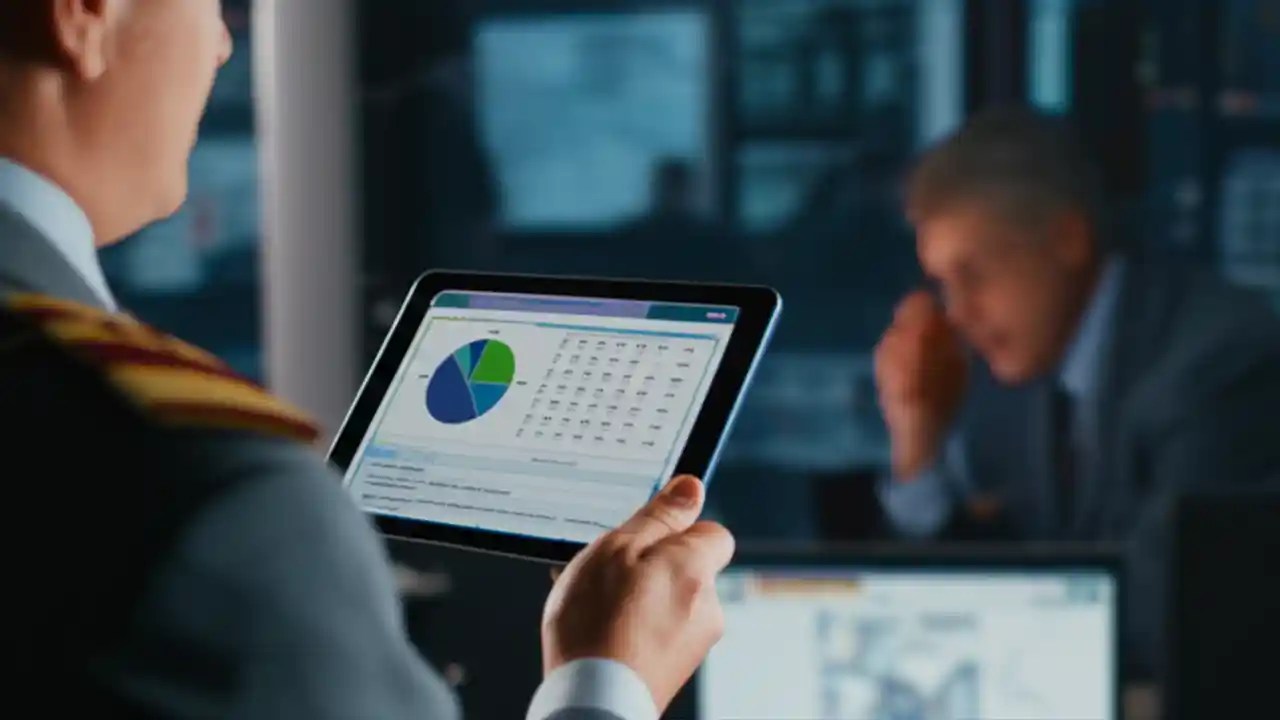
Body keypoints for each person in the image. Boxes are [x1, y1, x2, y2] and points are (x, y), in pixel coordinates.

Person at [2, 2, 733, 718]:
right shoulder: (203, 493)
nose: (224, 45)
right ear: (82, 18)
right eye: (212, 4)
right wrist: (609, 680)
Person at [873, 106, 1280, 674]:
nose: (958, 315)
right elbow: (949, 608)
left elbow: (1153, 627)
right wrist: (917, 442)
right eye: (943, 284)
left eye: (977, 274)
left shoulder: (1216, 369)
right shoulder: (1006, 383)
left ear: (1067, 239)